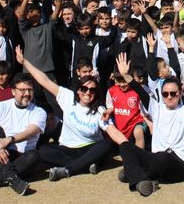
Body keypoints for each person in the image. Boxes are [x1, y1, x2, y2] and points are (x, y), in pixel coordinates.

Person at [102, 52, 184, 197]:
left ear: (180, 93)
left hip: (181, 167)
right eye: (165, 94)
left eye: (173, 93)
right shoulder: (156, 107)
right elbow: (139, 90)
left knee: (163, 157)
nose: (169, 97)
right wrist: (126, 76)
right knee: (125, 146)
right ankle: (140, 181)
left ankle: (133, 173)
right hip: (158, 162)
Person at [17, 47, 114, 181]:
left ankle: (69, 169)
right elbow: (44, 81)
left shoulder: (99, 109)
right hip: (66, 148)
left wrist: (130, 148)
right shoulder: (68, 97)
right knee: (42, 149)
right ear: (78, 90)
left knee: (107, 145)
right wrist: (25, 62)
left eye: (91, 90)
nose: (87, 92)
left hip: (89, 147)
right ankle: (86, 165)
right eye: (84, 89)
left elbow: (113, 132)